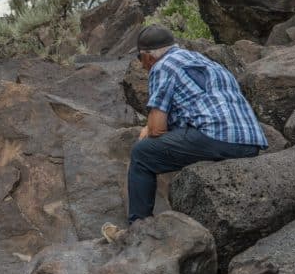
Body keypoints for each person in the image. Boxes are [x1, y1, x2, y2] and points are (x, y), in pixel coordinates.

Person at [103, 25, 268, 240]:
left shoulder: (162, 67)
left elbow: (157, 128)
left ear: (147, 57)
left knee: (142, 154)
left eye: (139, 58)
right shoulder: (203, 60)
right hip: (250, 142)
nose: (141, 65)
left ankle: (137, 232)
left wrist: (148, 129)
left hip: (215, 137)